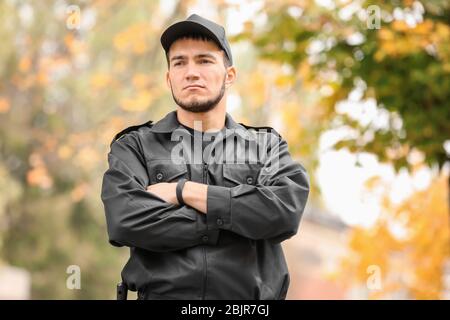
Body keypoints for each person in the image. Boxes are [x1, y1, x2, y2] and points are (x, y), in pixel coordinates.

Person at [101, 14, 310, 300]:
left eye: (204, 60)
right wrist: (236, 217)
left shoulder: (266, 147)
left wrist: (183, 191)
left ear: (230, 75)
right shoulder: (135, 146)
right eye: (179, 62)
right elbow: (125, 220)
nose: (191, 72)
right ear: (169, 77)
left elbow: (284, 213)